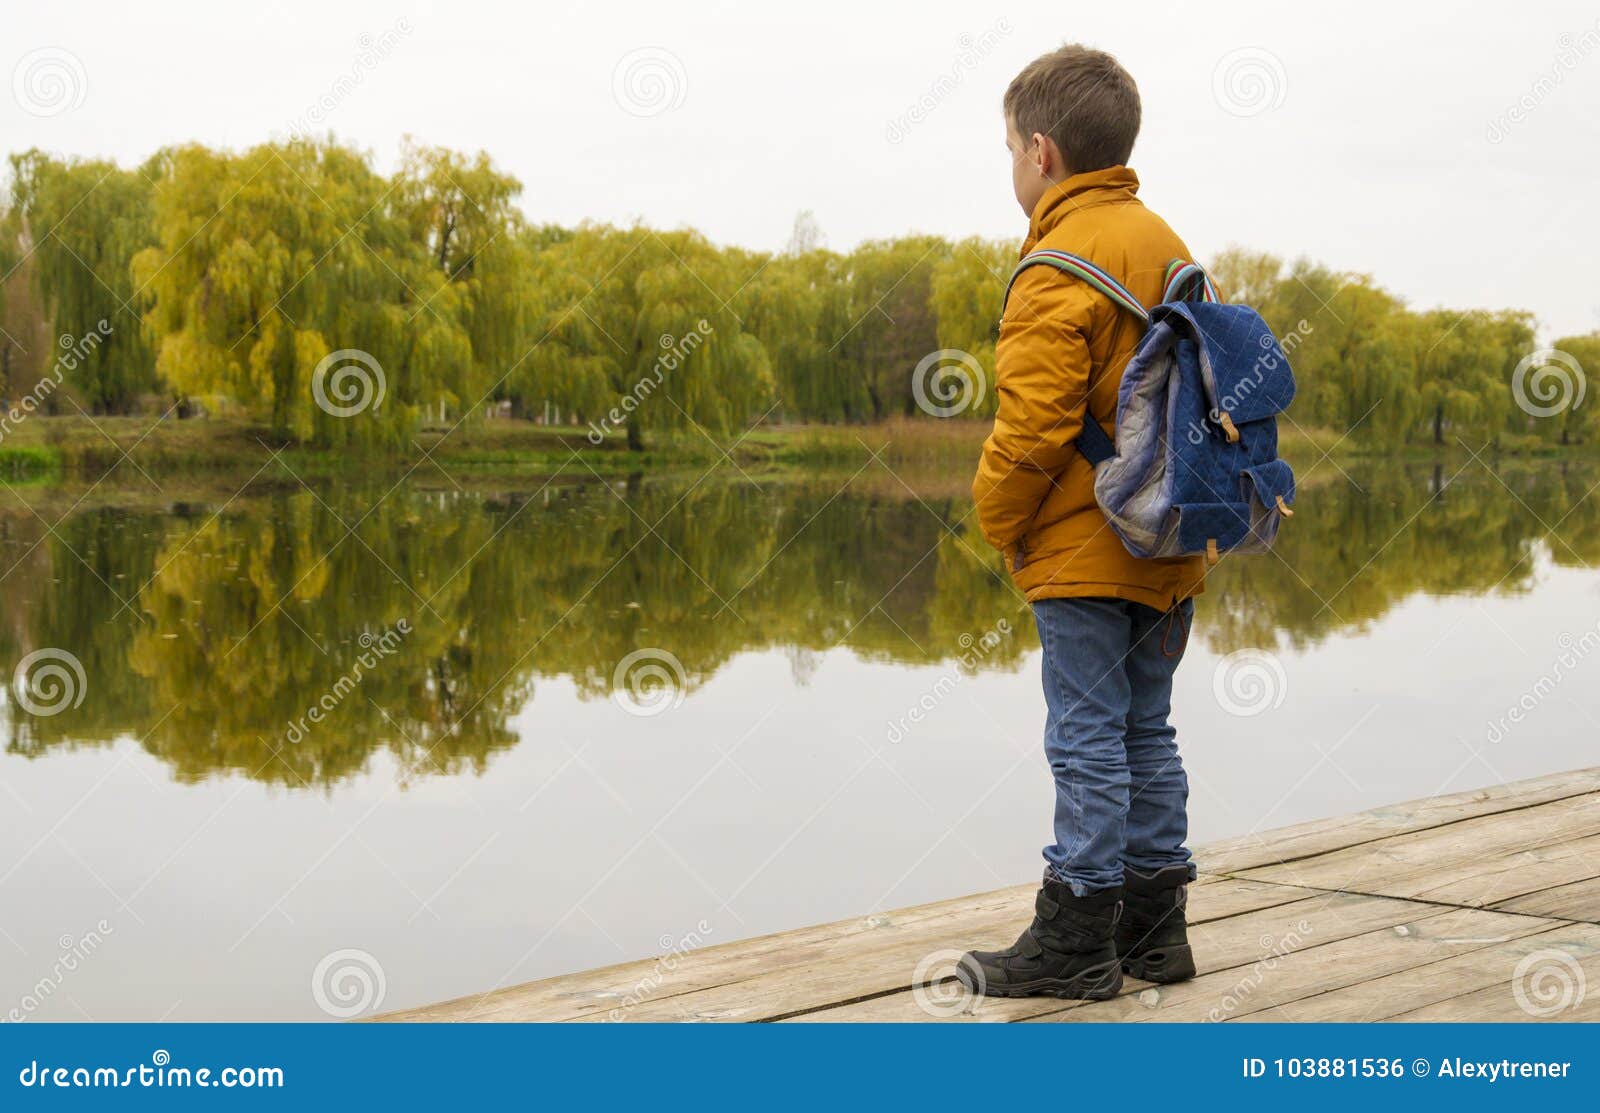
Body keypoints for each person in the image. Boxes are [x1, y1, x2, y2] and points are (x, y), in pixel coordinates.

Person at [960, 43, 1208, 1000]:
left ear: (1042, 150)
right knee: (1148, 729)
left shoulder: (1055, 263)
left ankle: (1073, 939)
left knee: (1086, 736)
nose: (1013, 167)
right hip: (1174, 535)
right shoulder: (1167, 243)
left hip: (1086, 544)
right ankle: (1154, 932)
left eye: (1011, 149)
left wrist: (994, 519)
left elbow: (1032, 427)